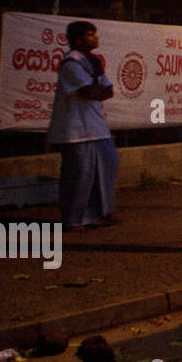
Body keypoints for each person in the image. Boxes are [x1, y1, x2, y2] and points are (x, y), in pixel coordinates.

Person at [47, 21, 121, 233]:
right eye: (90, 35)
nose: (95, 38)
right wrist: (97, 91)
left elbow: (107, 91)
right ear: (78, 40)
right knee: (79, 174)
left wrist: (97, 91)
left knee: (108, 165)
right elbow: (89, 92)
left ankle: (100, 212)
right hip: (76, 129)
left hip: (96, 125)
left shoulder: (93, 62)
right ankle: (73, 219)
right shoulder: (71, 63)